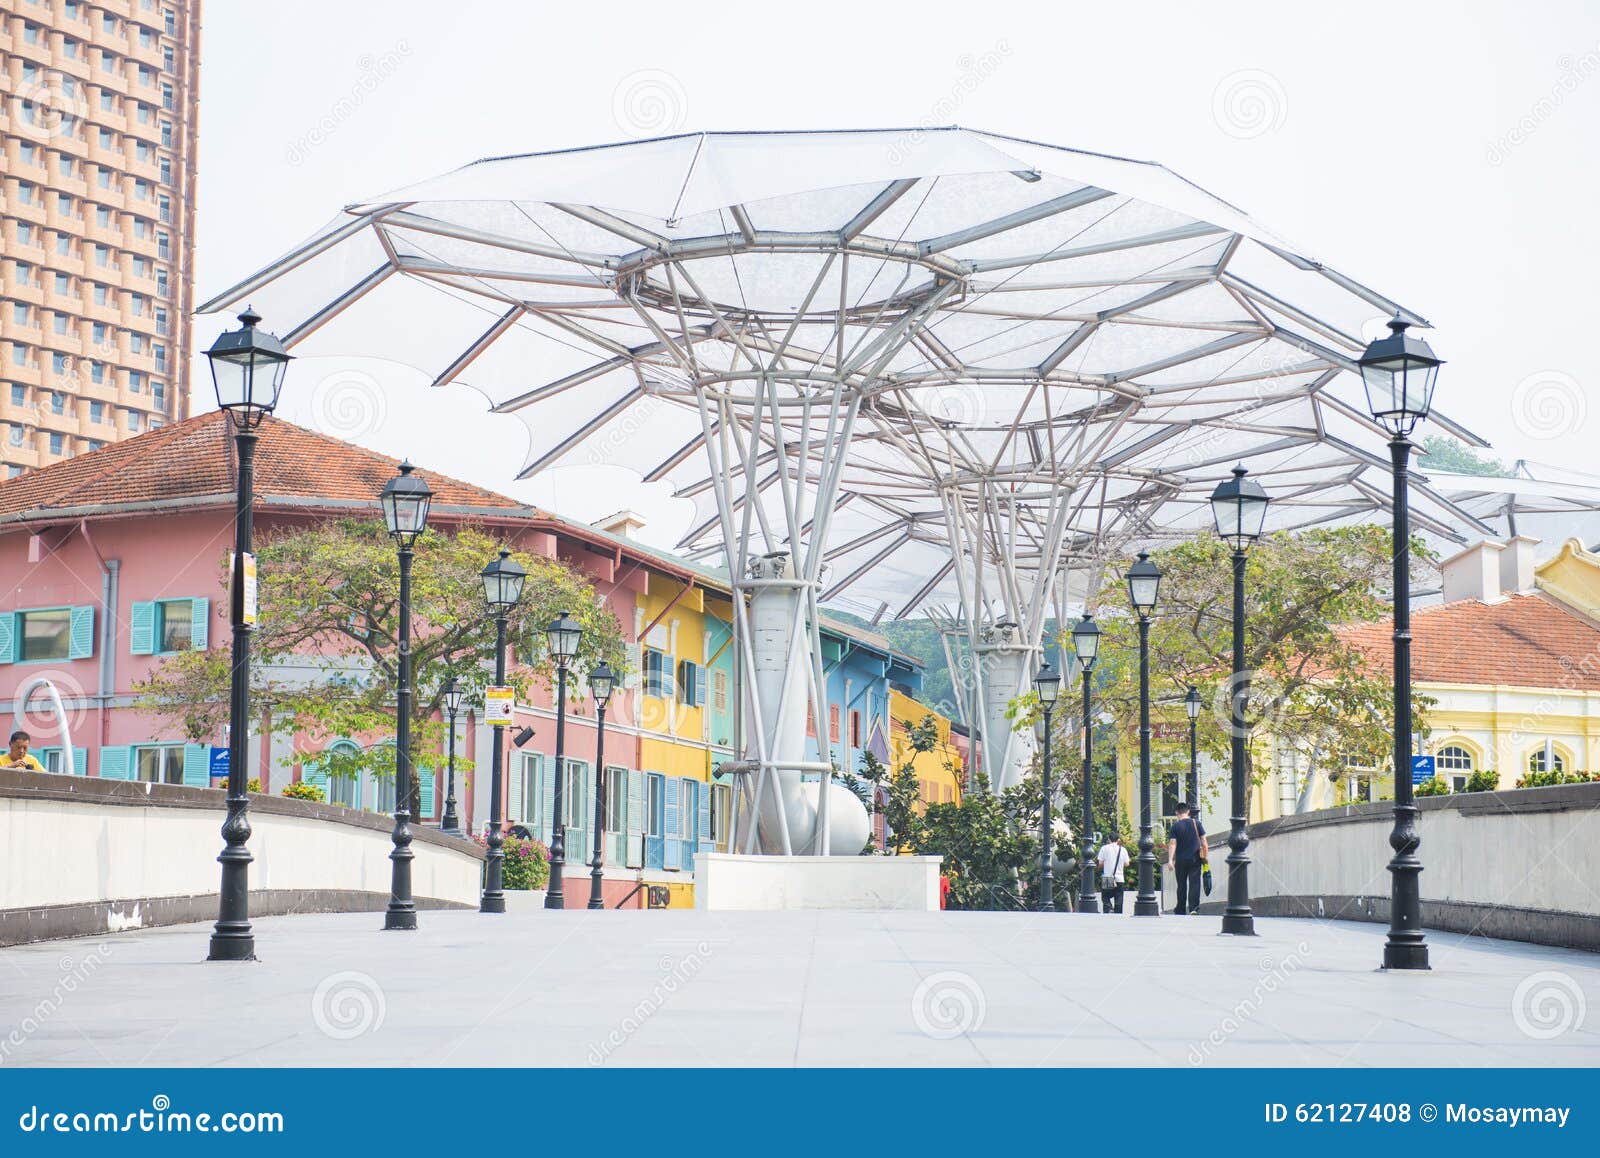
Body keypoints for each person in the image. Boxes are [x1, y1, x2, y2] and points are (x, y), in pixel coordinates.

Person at [1166, 802, 1206, 915]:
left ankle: (1180, 909)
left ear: (1176, 813)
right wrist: (1205, 856)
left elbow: (1172, 844)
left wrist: (1170, 860)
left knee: (1181, 884)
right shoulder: (1196, 823)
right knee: (1195, 883)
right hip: (1195, 858)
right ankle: (1194, 908)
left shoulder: (1175, 826)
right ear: (1188, 811)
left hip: (1180, 860)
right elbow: (1204, 841)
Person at [1097, 834, 1129, 913]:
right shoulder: (1123, 850)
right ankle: (1117, 914)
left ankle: (1109, 909)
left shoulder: (1104, 848)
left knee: (1105, 896)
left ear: (1109, 839)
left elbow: (1100, 863)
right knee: (1119, 898)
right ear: (1118, 840)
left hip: (1108, 876)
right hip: (1120, 878)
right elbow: (1127, 864)